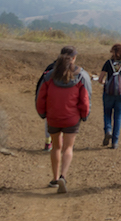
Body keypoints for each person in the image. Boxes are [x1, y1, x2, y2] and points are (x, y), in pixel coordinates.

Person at [35, 51, 91, 194]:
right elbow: (84, 100)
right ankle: (63, 176)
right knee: (68, 148)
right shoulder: (79, 78)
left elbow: (40, 97)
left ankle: (54, 179)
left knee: (56, 147)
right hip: (71, 118)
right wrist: (84, 115)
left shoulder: (49, 77)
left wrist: (42, 113)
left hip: (53, 117)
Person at [35, 46, 76, 152]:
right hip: (66, 101)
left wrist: (39, 99)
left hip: (51, 100)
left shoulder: (51, 67)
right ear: (73, 57)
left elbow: (41, 83)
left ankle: (48, 143)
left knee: (50, 121)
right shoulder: (73, 69)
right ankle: (60, 143)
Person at [99, 43, 121, 149]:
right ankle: (115, 142)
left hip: (108, 93)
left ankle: (108, 130)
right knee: (118, 116)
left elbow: (100, 79)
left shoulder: (108, 63)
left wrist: (106, 83)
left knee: (107, 113)